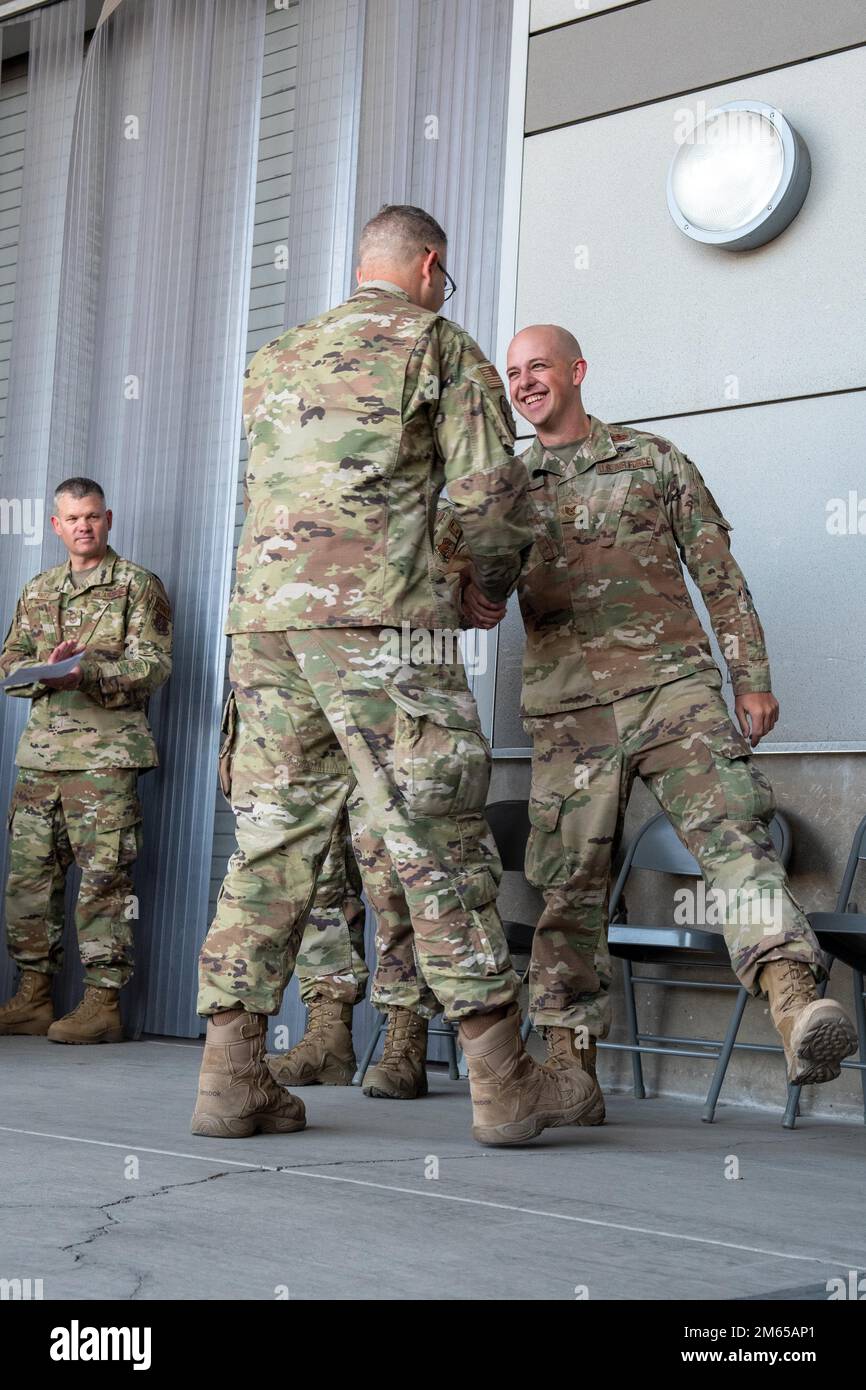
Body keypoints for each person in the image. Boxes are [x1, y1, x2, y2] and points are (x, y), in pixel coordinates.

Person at [191, 207, 602, 1146]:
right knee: (434, 830)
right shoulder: (441, 347)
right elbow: (491, 502)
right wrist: (480, 585)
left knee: (268, 845)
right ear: (427, 266)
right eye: (442, 277)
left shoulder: (274, 358)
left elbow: (265, 497)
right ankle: (503, 1083)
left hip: (264, 627)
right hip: (383, 627)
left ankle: (229, 1078)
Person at [455, 323, 857, 1116]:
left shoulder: (653, 460)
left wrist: (752, 679)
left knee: (732, 838)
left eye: (539, 366)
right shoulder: (504, 490)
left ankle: (792, 1001)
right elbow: (471, 598)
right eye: (512, 373)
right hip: (569, 714)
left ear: (577, 370)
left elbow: (719, 575)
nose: (524, 382)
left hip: (673, 691)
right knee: (567, 889)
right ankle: (570, 1073)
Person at [0, 478, 172, 1042]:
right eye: (72, 518)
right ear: (56, 525)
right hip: (42, 760)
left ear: (109, 519)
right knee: (29, 880)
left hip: (106, 760)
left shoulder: (137, 587)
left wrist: (86, 673)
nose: (83, 526)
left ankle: (102, 1004)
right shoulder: (39, 589)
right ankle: (33, 997)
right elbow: (8, 664)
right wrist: (41, 671)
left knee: (106, 881)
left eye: (93, 516)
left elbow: (153, 668)